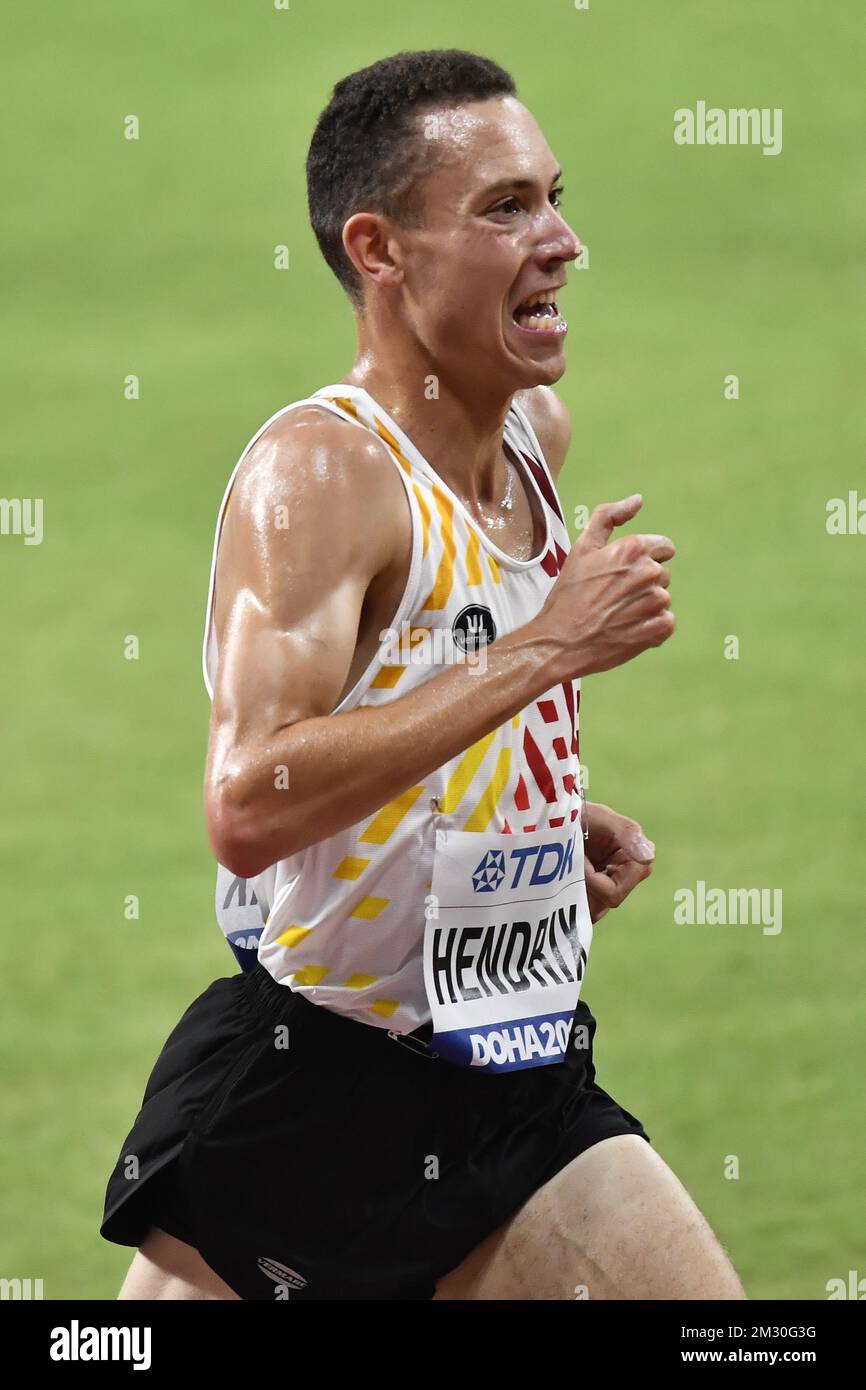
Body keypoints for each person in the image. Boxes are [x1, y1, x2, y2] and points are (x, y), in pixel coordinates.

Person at [101, 49, 745, 1301]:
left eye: (554, 197)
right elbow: (249, 803)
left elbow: (436, 690)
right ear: (378, 249)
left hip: (514, 1079)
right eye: (504, 207)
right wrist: (551, 645)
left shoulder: (531, 436)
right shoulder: (322, 478)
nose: (559, 240)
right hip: (316, 1098)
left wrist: (529, 817)